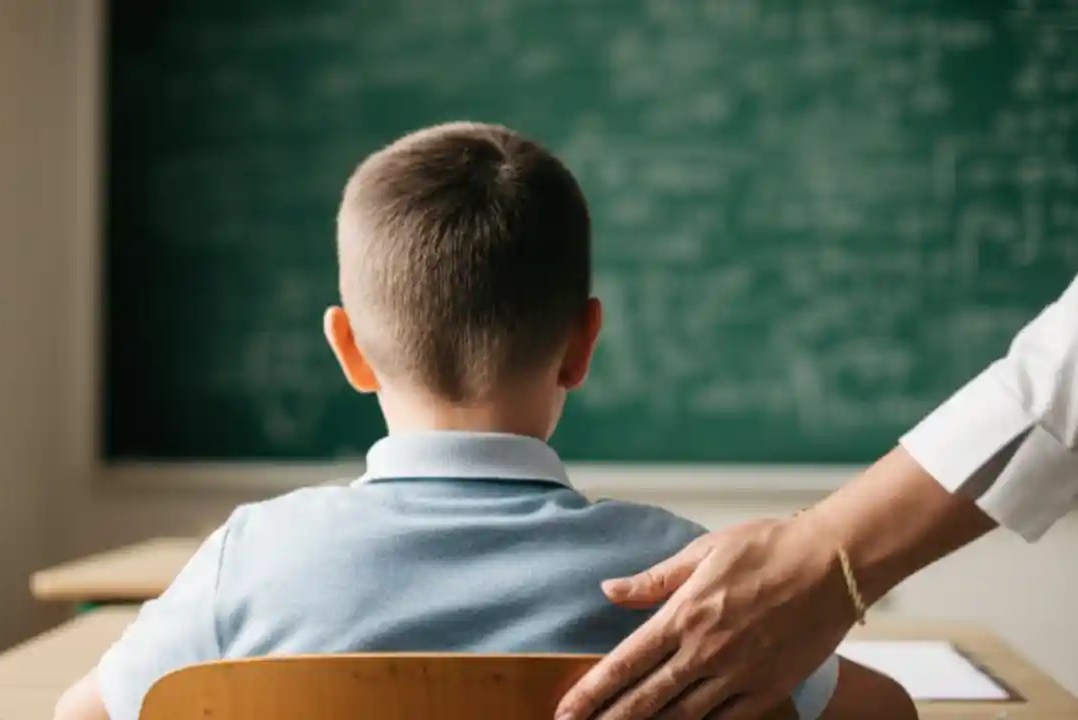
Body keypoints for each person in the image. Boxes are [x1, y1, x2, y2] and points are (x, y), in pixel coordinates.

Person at [53, 122, 915, 720]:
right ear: (582, 345)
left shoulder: (250, 564)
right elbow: (889, 714)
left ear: (348, 349)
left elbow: (84, 714)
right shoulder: (679, 580)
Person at [555, 260, 1078, 720]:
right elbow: (889, 710)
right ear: (583, 342)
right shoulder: (664, 552)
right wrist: (827, 549)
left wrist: (829, 548)